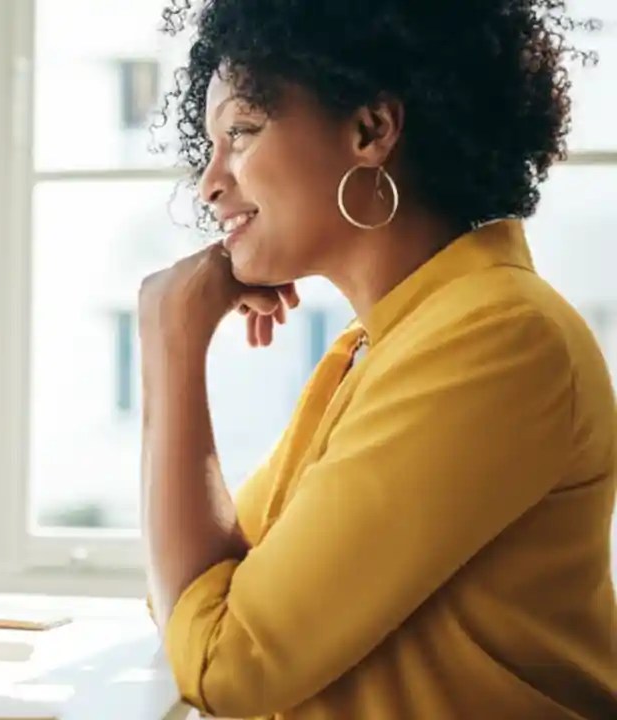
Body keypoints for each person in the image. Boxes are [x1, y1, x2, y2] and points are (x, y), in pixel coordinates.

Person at [138, 1, 616, 717]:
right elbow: (185, 608)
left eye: (240, 132)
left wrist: (172, 345)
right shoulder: (379, 346)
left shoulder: (498, 339)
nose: (209, 182)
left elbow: (225, 665)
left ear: (371, 130)